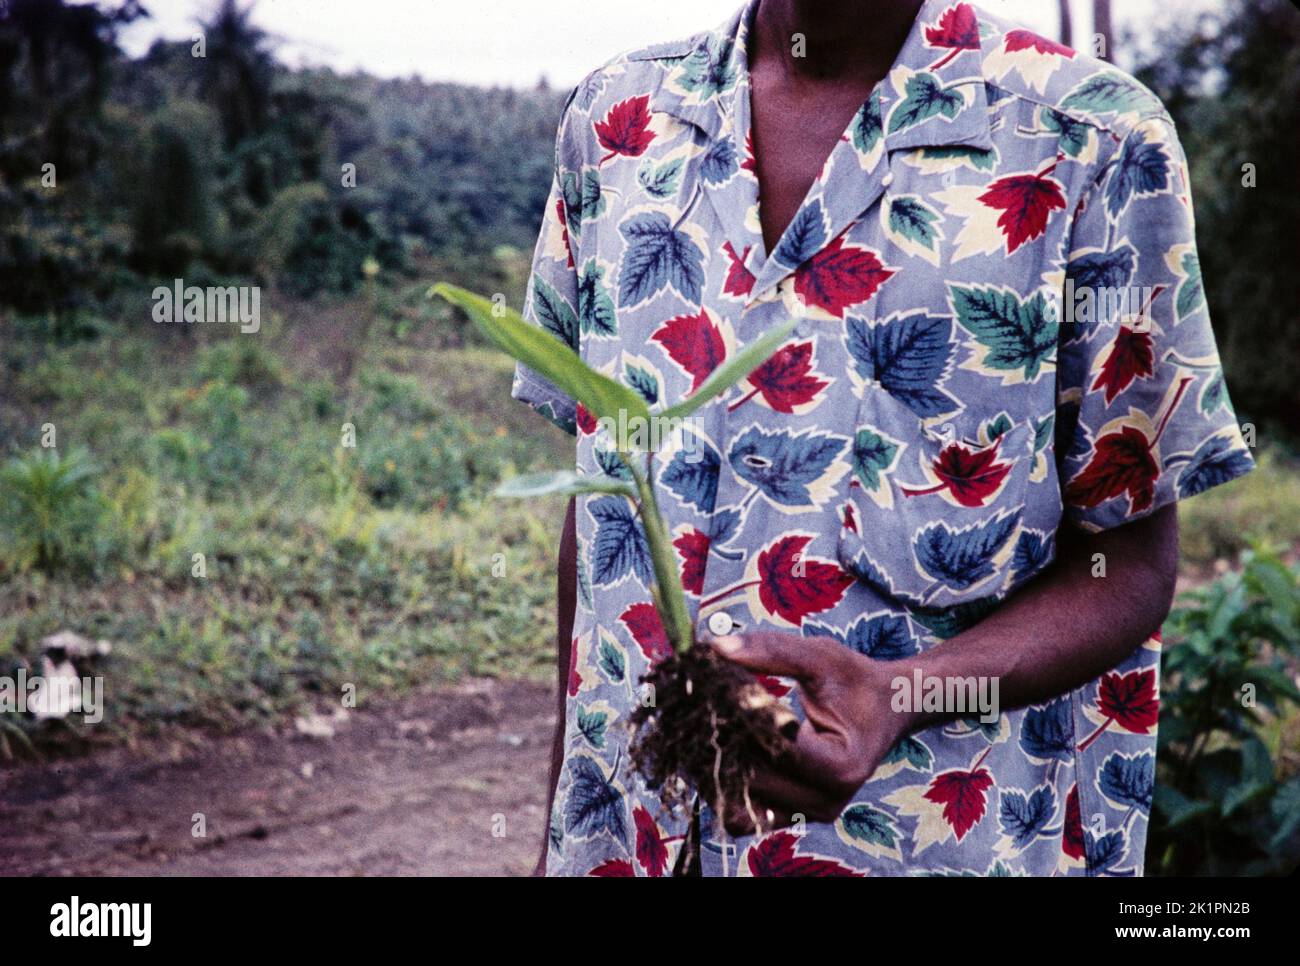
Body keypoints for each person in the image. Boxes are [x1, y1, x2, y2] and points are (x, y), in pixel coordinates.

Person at [513, 0, 1254, 876]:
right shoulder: (617, 121)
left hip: (925, 841)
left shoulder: (1094, 138)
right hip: (630, 840)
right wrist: (567, 808)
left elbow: (1128, 565)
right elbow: (603, 512)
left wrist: (904, 695)